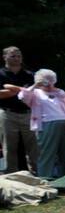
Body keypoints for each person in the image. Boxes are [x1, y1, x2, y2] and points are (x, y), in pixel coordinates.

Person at [16, 69, 65, 178]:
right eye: (45, 79)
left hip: (64, 123)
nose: (48, 82)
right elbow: (22, 96)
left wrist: (54, 89)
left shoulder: (57, 92)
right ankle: (45, 177)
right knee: (47, 153)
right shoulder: (35, 92)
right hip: (47, 123)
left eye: (50, 79)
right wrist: (35, 85)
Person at [1, 46, 38, 174]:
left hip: (28, 114)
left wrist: (11, 89)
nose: (17, 58)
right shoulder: (1, 73)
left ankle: (37, 174)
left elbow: (34, 94)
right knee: (9, 146)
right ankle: (11, 175)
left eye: (19, 56)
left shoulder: (30, 75)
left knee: (33, 147)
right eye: (13, 56)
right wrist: (23, 90)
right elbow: (0, 94)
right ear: (4, 57)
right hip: (7, 113)